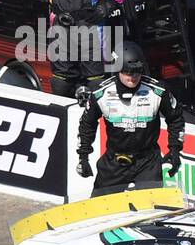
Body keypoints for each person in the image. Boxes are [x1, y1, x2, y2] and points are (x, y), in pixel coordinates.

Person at [77, 42, 184, 197]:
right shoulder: (100, 93)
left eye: (137, 71)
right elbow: (87, 124)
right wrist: (83, 156)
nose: (132, 76)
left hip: (148, 162)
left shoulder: (158, 91)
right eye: (127, 71)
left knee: (152, 208)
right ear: (117, 69)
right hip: (114, 161)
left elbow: (176, 119)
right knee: (100, 211)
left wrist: (175, 149)